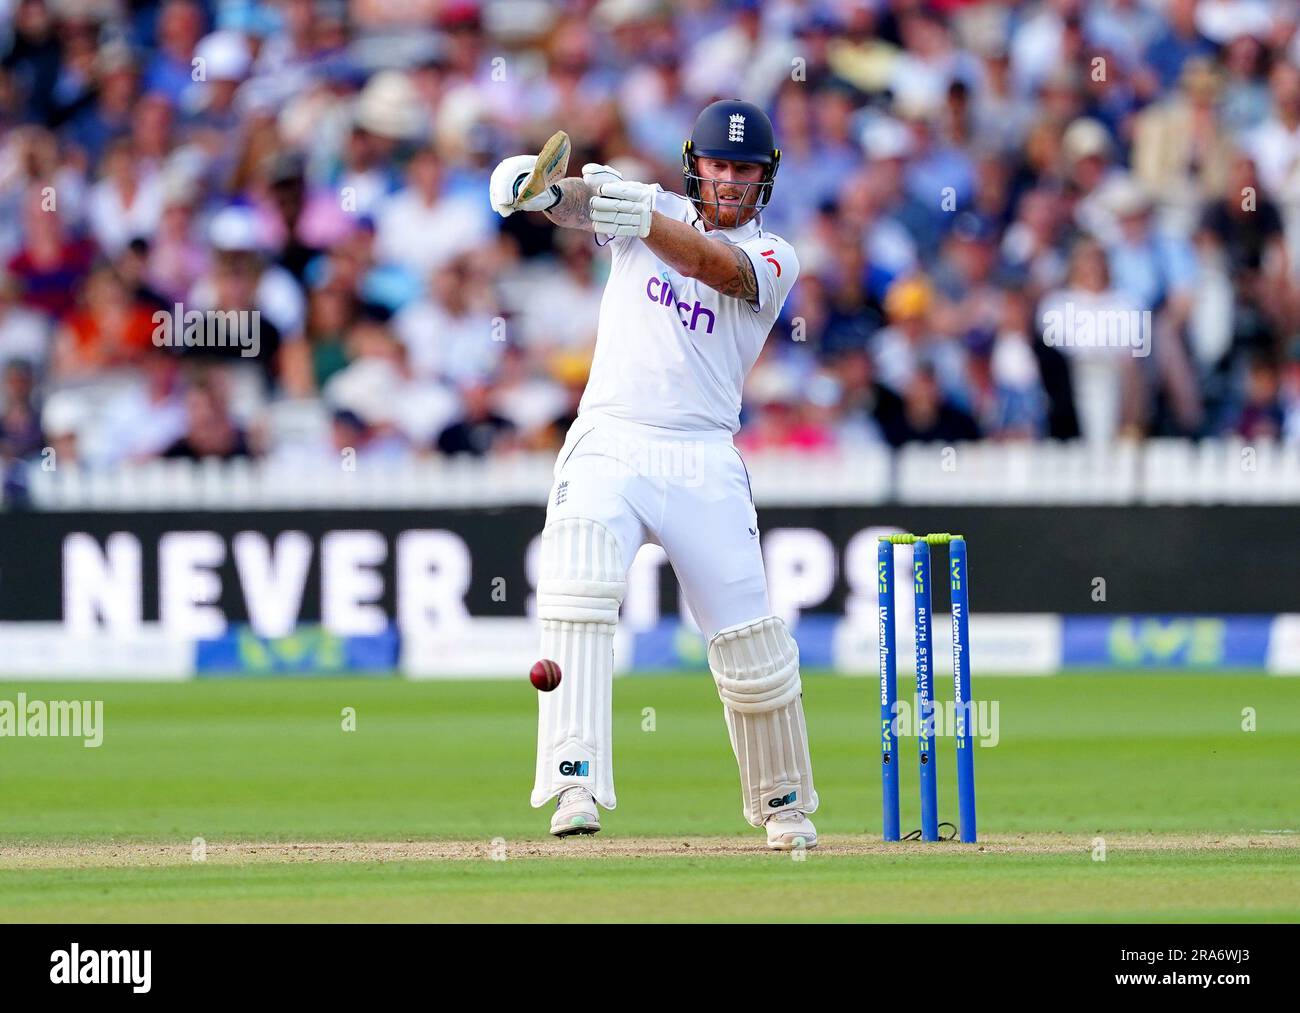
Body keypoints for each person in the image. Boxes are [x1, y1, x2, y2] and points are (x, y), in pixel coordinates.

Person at [490, 99, 818, 851]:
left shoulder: (775, 255)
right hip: (611, 436)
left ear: (764, 178)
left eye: (743, 169)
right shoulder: (650, 206)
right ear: (693, 163)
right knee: (578, 588)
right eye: (718, 164)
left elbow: (714, 266)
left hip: (703, 454)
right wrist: (538, 191)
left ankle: (783, 801)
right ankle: (573, 782)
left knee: (750, 644)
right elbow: (577, 205)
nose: (728, 180)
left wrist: (636, 212)